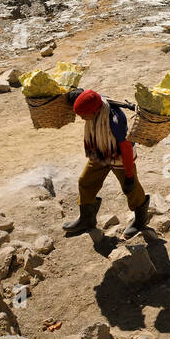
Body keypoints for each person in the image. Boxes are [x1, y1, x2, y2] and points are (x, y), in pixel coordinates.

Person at [61, 88, 150, 238]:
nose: (82, 119)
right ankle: (87, 219)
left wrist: (128, 176)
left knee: (131, 189)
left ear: (95, 112)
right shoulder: (97, 101)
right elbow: (87, 95)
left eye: (84, 115)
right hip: (100, 151)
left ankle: (141, 219)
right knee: (85, 181)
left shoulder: (115, 120)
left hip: (121, 157)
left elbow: (126, 148)